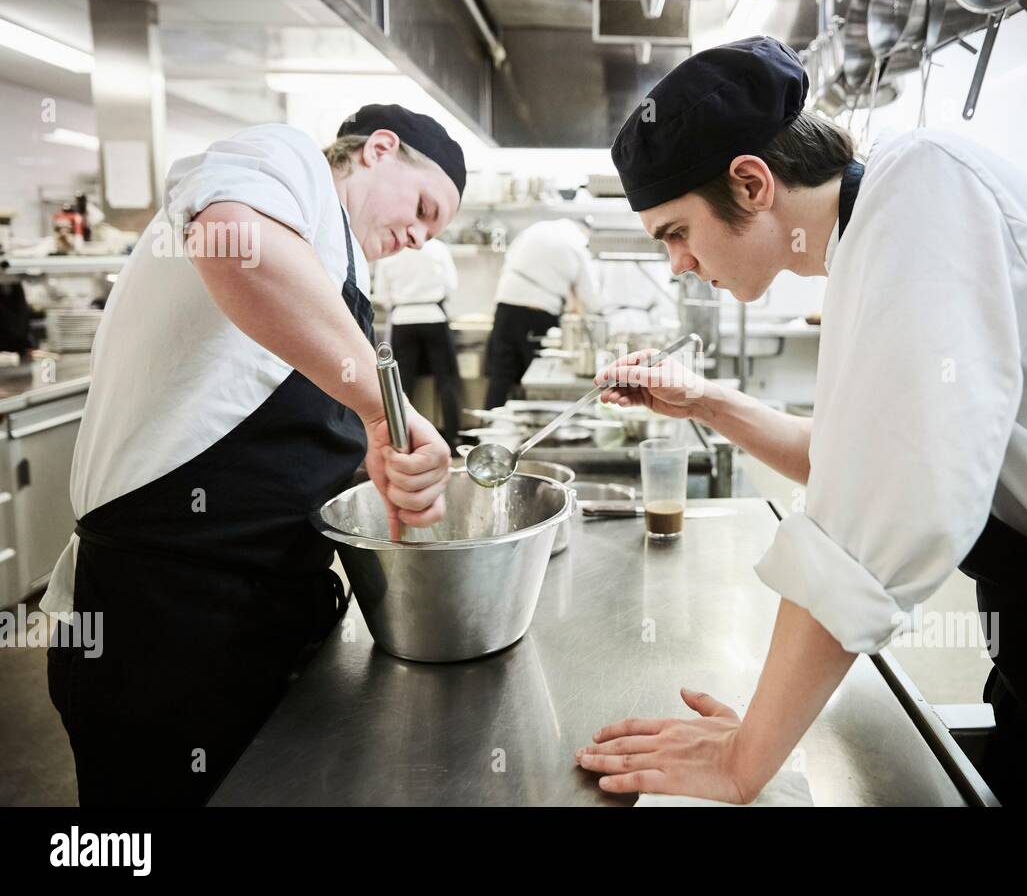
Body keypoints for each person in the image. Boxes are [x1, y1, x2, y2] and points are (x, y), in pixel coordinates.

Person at [575, 37, 1027, 805]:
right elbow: (862, 463)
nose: (679, 265)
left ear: (751, 183)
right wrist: (709, 403)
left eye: (675, 233)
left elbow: (880, 514)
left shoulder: (922, 186)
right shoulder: (871, 238)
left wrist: (745, 755)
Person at [42, 104, 459, 805]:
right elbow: (232, 238)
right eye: (424, 207)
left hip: (262, 616)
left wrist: (372, 461)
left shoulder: (340, 265)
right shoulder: (289, 157)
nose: (419, 237)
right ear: (380, 150)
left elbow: (267, 428)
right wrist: (379, 410)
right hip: (164, 623)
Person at [484, 217, 605, 409]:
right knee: (536, 379)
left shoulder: (536, 228)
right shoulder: (577, 244)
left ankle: (491, 430)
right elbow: (590, 299)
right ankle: (531, 426)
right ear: (585, 232)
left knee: (501, 376)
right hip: (537, 314)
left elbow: (508, 260)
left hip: (505, 306)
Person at [372, 237, 464, 444]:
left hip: (402, 319)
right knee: (446, 380)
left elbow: (381, 294)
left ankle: (404, 438)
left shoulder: (390, 249)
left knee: (403, 384)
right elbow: (451, 285)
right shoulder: (438, 248)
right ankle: (454, 437)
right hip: (434, 316)